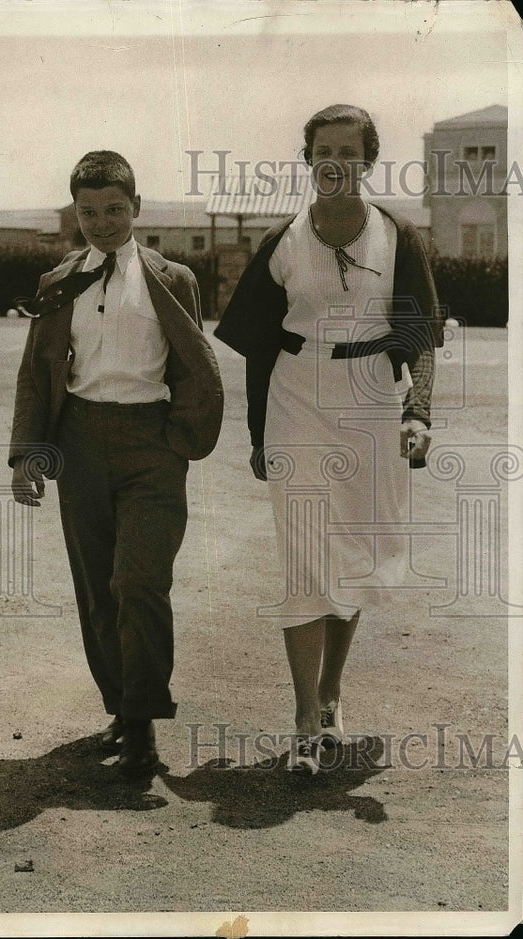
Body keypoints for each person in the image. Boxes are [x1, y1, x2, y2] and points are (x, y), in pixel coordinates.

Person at [214, 105, 444, 774]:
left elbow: (419, 335)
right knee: (306, 560)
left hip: (371, 398)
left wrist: (418, 411)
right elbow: (259, 346)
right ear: (309, 158)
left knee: (355, 558)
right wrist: (261, 434)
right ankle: (304, 720)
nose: (334, 161)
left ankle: (332, 691)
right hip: (296, 398)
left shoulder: (399, 236)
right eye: (323, 150)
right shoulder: (282, 241)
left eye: (348, 150)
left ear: (368, 160)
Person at [10, 151, 224, 776]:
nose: (101, 223)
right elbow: (35, 376)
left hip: (151, 446)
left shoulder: (174, 278)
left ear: (137, 207)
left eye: (113, 209)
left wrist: (179, 437)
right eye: (88, 211)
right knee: (99, 589)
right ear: (74, 212)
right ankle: (121, 706)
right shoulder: (58, 282)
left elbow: (194, 363)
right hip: (79, 442)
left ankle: (143, 724)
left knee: (139, 581)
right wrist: (27, 455)